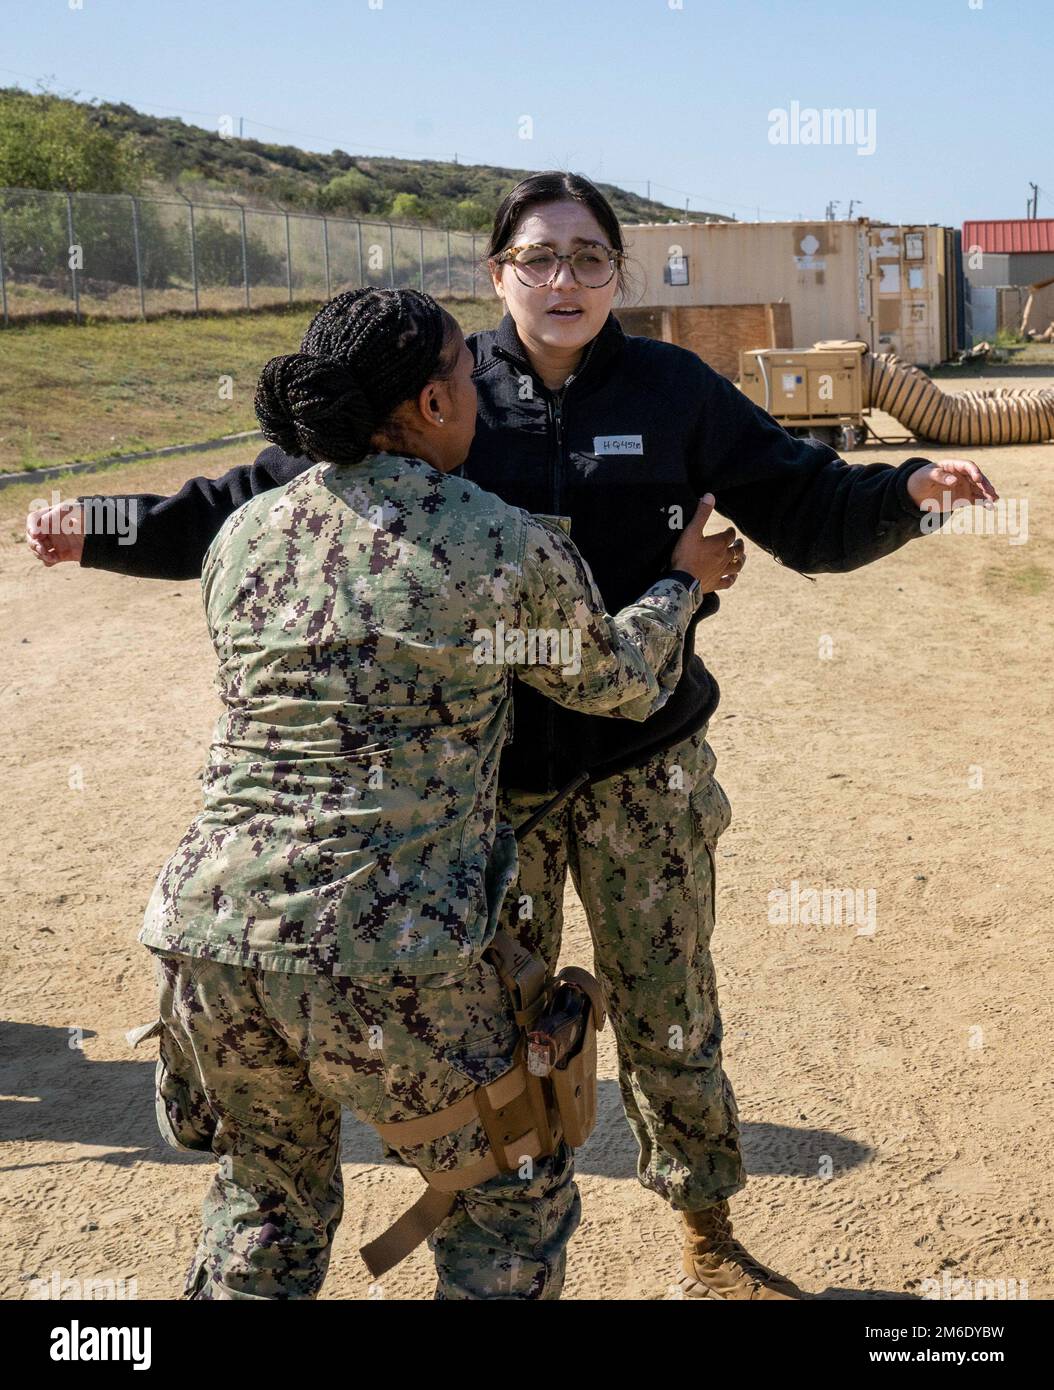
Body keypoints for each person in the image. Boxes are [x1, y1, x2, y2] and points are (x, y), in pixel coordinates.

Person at [27, 173, 996, 1300]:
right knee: (515, 1044)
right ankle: (507, 1220)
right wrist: (95, 524)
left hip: (643, 772)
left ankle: (707, 1229)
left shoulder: (675, 390)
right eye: (539, 256)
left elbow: (803, 500)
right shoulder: (426, 386)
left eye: (590, 258)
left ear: (617, 275)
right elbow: (242, 497)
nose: (564, 278)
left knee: (668, 1011)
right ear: (498, 275)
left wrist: (909, 486)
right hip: (487, 803)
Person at [123, 286, 738, 1300]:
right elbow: (619, 683)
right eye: (465, 376)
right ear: (433, 403)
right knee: (508, 1188)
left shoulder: (246, 536)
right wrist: (682, 581)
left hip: (209, 935)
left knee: (267, 1200)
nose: (479, 398)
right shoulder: (491, 540)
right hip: (391, 949)